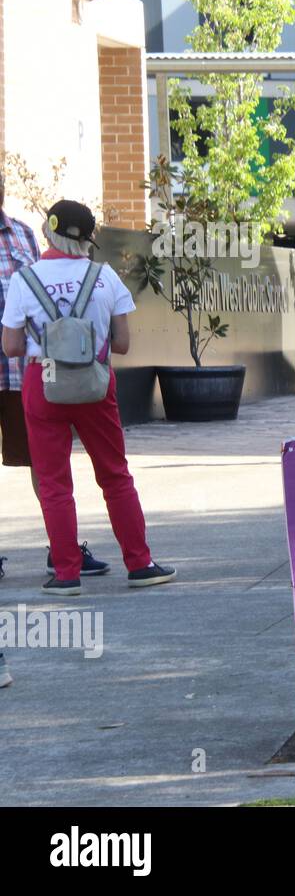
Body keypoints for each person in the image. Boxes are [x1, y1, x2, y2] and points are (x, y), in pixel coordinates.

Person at [0, 200, 174, 596]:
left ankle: (66, 573)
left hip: (43, 384)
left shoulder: (26, 279)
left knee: (53, 482)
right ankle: (141, 563)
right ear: (87, 239)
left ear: (50, 230)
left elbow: (11, 346)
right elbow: (124, 344)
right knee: (115, 475)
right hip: (96, 387)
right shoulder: (105, 277)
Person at [0, 179, 109, 579]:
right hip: (24, 364)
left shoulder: (23, 233)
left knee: (41, 465)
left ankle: (60, 550)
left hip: (20, 371)